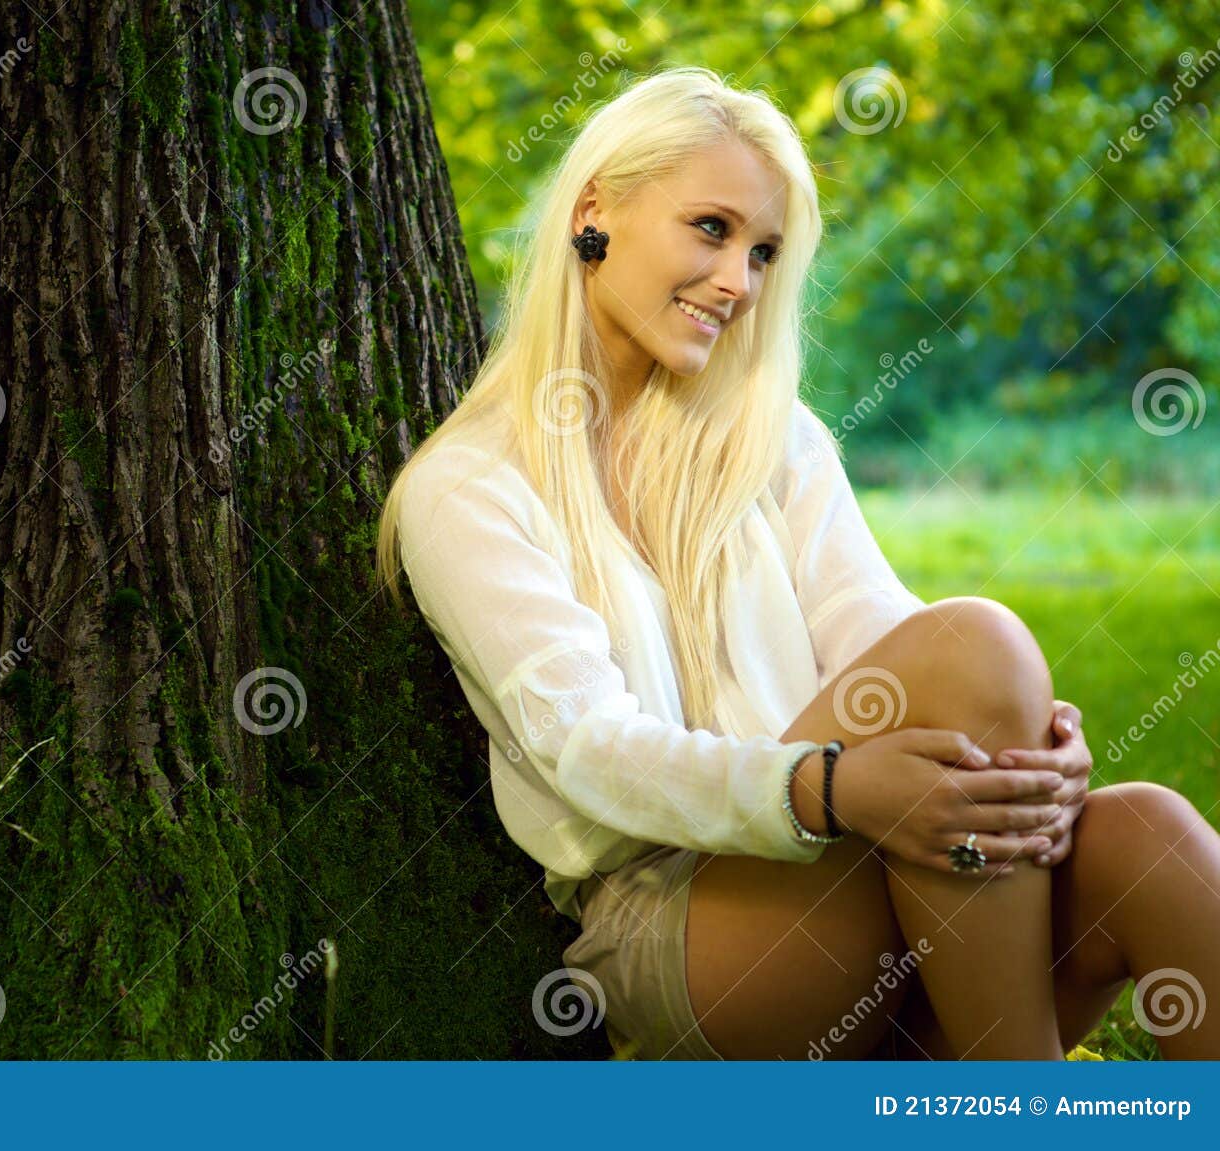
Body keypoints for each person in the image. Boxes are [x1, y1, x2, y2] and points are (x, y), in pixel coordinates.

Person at [374, 65, 1220, 1060]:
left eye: (764, 251)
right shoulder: (468, 487)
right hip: (687, 927)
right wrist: (825, 788)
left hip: (882, 869)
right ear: (594, 211)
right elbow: (587, 747)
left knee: (1149, 835)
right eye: (711, 228)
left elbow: (884, 634)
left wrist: (1028, 748)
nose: (739, 282)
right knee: (973, 643)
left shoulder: (774, 442)